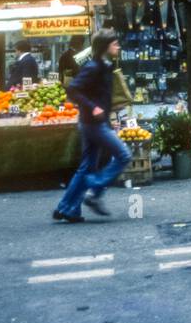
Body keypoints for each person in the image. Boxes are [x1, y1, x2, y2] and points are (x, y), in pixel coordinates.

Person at [53, 29, 132, 223]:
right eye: (115, 44)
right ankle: (94, 188)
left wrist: (105, 118)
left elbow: (101, 96)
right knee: (124, 155)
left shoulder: (105, 65)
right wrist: (93, 107)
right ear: (105, 46)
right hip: (93, 124)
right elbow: (72, 89)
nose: (118, 47)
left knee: (86, 166)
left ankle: (67, 208)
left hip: (94, 123)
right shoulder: (93, 67)